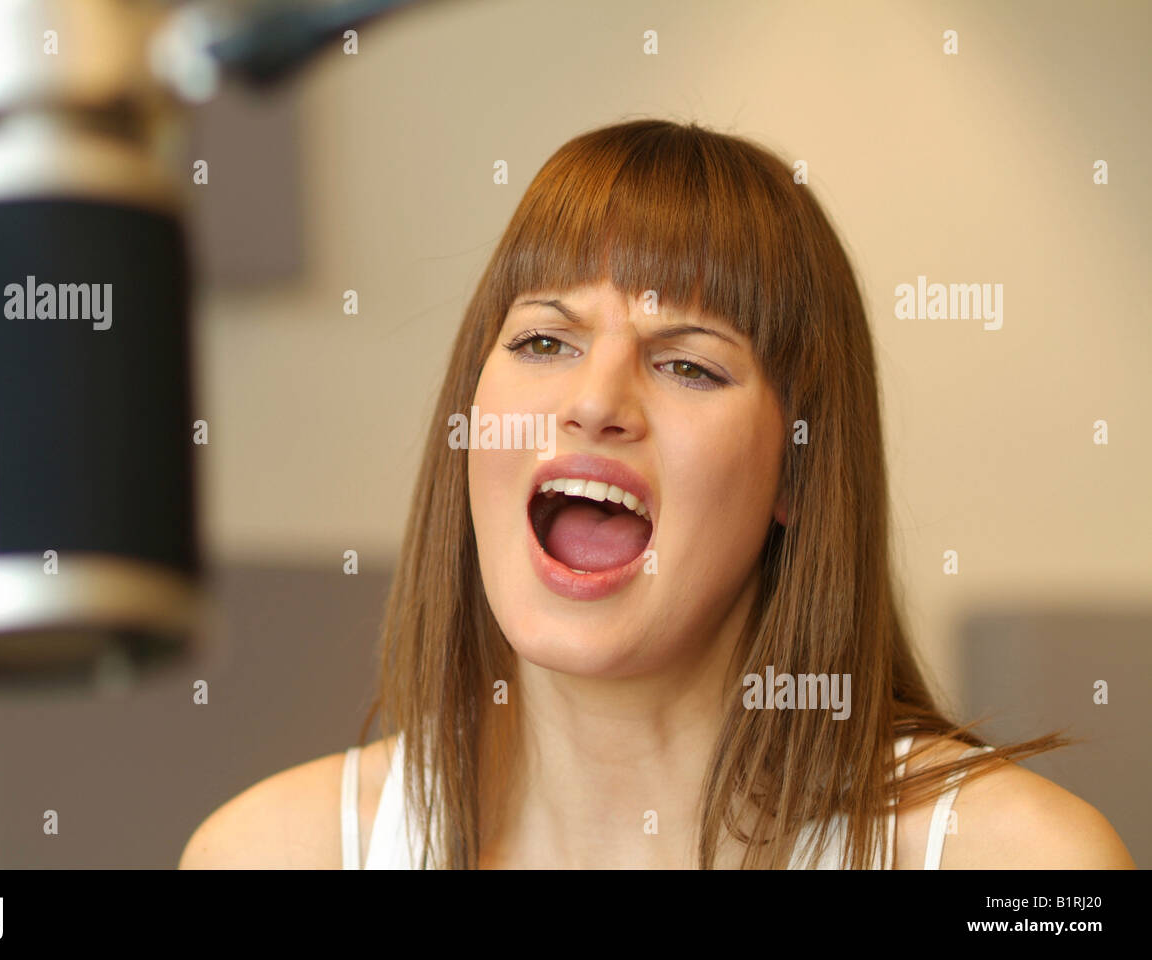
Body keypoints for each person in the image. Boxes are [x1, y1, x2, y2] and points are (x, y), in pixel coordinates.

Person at [180, 119, 1134, 869]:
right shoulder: (266, 856)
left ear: (796, 473)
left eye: (688, 365)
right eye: (544, 342)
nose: (595, 402)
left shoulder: (1017, 870)